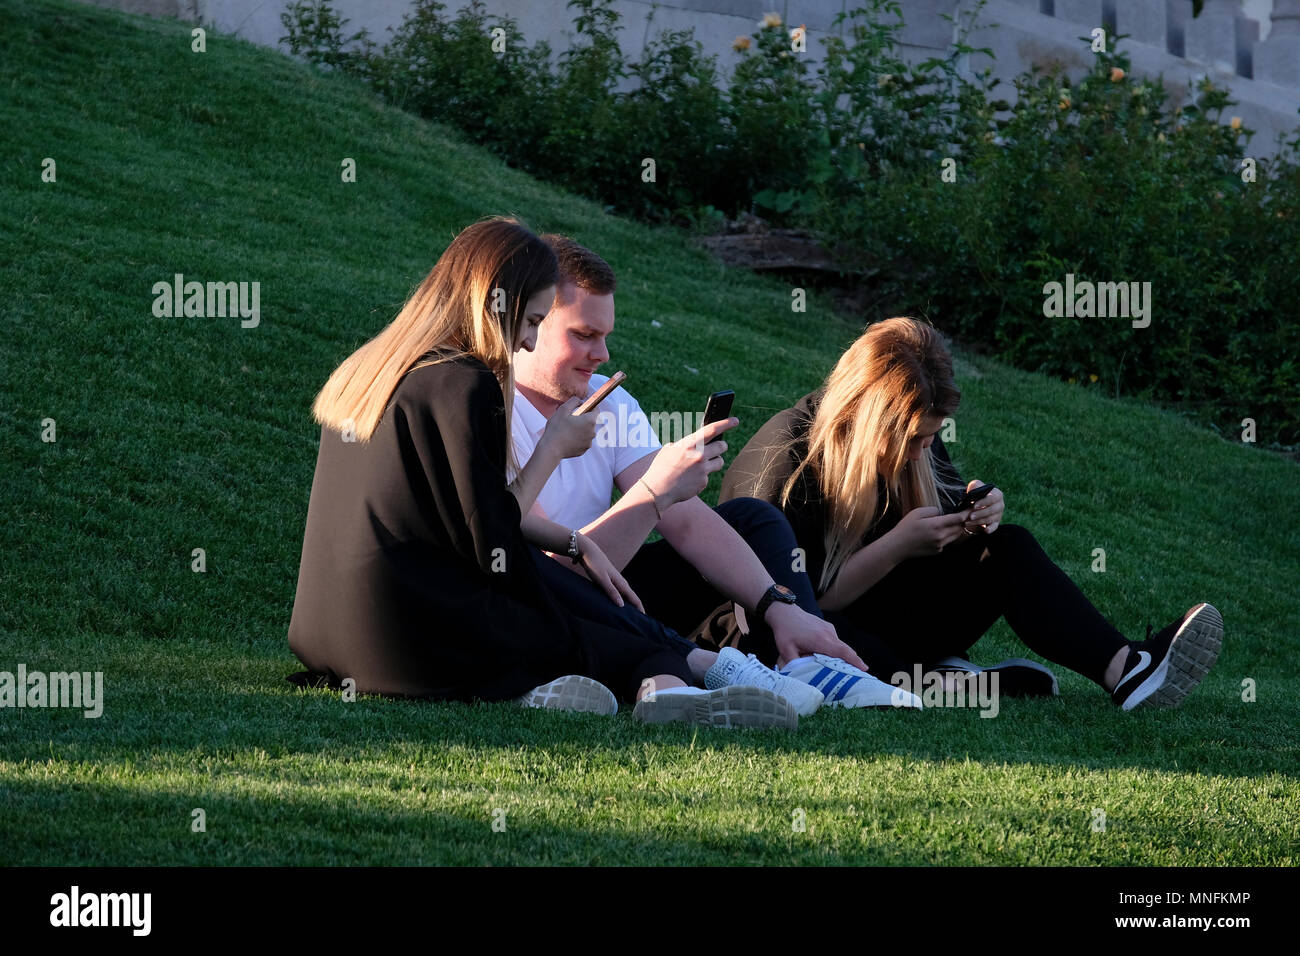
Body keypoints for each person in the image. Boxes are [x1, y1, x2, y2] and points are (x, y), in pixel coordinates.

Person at [286, 216, 811, 728]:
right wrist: (552, 450)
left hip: (328, 637)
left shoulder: (371, 370)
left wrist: (577, 543)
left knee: (568, 597)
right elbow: (492, 540)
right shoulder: (463, 382)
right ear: (498, 304)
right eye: (533, 321)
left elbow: (470, 509)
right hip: (405, 647)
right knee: (576, 618)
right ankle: (689, 672)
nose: (529, 342)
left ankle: (670, 676)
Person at [719, 316, 1224, 711]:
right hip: (789, 637)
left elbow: (941, 514)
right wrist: (897, 546)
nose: (922, 451)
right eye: (912, 438)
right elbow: (795, 611)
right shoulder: (791, 461)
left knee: (1007, 547)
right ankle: (936, 681)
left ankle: (1126, 669)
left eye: (931, 436)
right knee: (822, 632)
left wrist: (975, 514)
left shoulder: (916, 443)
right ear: (871, 416)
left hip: (884, 621)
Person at [508, 235, 917, 710]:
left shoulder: (608, 399)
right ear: (531, 323)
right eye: (583, 335)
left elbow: (684, 521)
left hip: (622, 591)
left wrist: (776, 604)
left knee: (750, 518)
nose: (601, 354)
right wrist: (655, 492)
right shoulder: (495, 406)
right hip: (552, 600)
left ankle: (803, 657)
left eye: (605, 336)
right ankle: (726, 665)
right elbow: (546, 573)